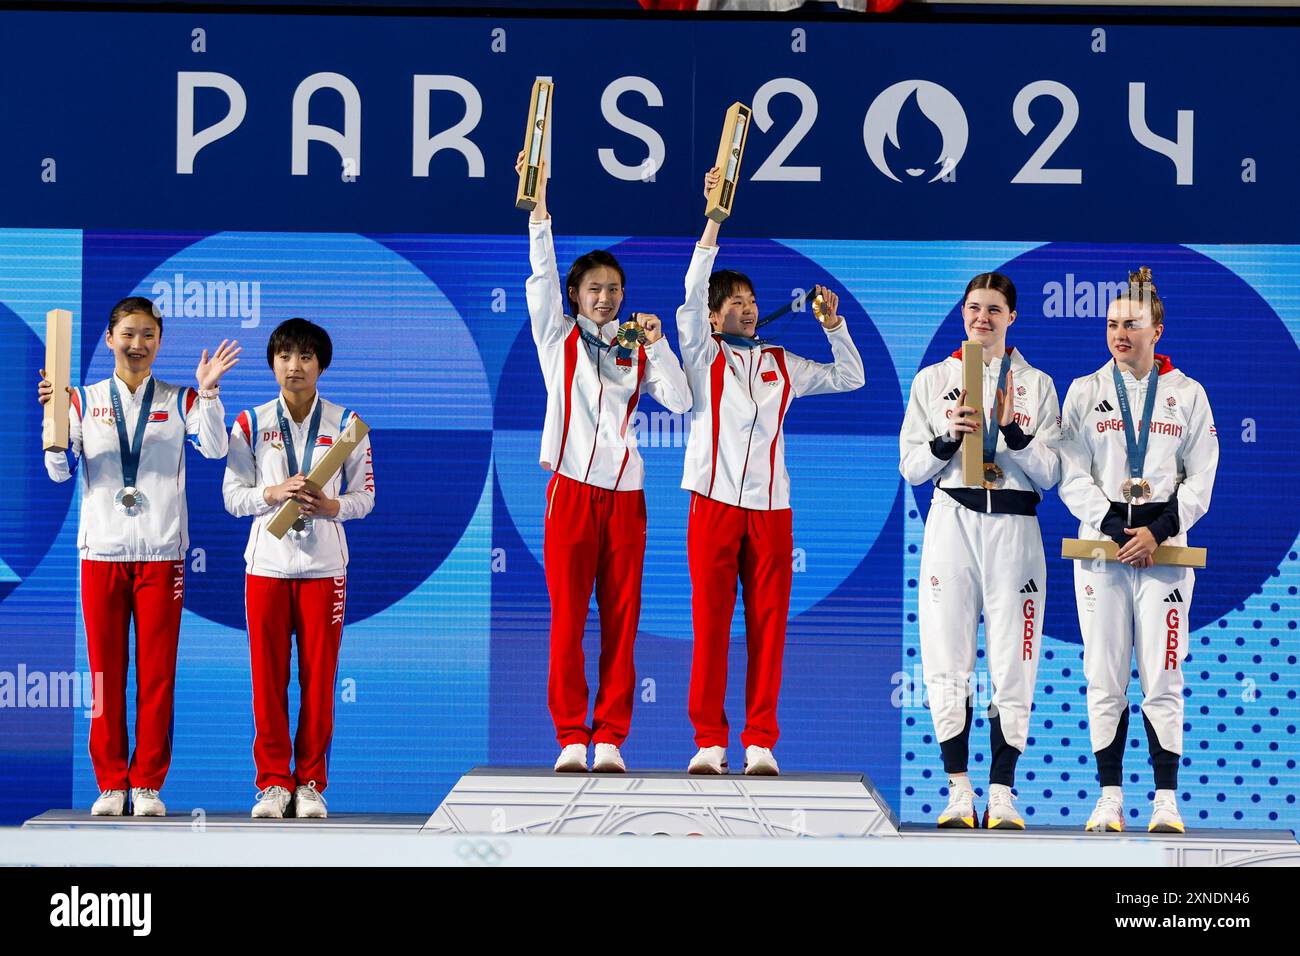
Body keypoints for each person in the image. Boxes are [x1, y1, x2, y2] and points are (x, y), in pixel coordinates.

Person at [679, 166, 864, 776]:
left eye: (753, 302)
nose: (750, 309)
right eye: (736, 304)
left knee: (768, 629)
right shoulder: (700, 355)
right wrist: (714, 219)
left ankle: (759, 741)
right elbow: (690, 290)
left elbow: (850, 376)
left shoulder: (782, 362)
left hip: (772, 512)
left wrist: (832, 325)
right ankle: (709, 742)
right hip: (711, 506)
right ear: (713, 318)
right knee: (711, 629)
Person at [516, 151, 691, 773]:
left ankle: (611, 736)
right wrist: (539, 210)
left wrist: (659, 341)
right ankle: (570, 736)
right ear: (575, 294)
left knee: (621, 619)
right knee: (568, 619)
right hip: (569, 492)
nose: (606, 298)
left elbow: (683, 398)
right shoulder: (555, 336)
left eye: (614, 290)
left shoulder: (631, 347)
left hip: (625, 496)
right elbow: (540, 274)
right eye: (595, 289)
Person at [39, 296, 238, 816]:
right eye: (128, 333)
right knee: (105, 674)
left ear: (159, 341)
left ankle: (147, 782)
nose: (138, 343)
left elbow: (216, 450)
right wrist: (52, 421)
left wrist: (212, 392)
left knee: (156, 673)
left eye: (148, 334)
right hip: (101, 552)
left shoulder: (182, 399)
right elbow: (59, 472)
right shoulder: (80, 400)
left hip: (162, 555)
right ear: (109, 339)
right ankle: (110, 783)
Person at [1058, 268, 1218, 834]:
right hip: (1103, 551)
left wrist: (1159, 527)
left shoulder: (1189, 395)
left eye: (1132, 323)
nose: (1119, 333)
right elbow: (1069, 470)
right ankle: (1108, 798)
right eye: (1111, 323)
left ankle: (1166, 800)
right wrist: (1113, 524)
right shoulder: (1084, 390)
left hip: (1165, 555)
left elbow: (1200, 479)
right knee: (1103, 676)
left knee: (1163, 674)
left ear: (1158, 329)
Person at [899, 272, 1061, 829]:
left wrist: (1020, 439)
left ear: (1012, 316)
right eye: (974, 308)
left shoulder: (1036, 383)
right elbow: (911, 466)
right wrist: (944, 440)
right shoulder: (933, 379)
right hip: (954, 519)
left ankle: (1003, 792)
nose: (982, 318)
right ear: (962, 313)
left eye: (994, 309)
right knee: (946, 657)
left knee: (1015, 659)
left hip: (1015, 526)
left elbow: (1053, 472)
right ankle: (957, 789)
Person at [223, 318, 375, 819]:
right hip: (266, 568)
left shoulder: (347, 425)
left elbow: (365, 497)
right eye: (286, 356)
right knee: (267, 680)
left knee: (318, 679)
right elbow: (232, 497)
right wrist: (273, 494)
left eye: (306, 357)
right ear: (272, 364)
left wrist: (333, 509)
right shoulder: (248, 423)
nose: (295, 366)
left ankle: (309, 782)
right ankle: (272, 783)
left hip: (324, 569)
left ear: (321, 365)